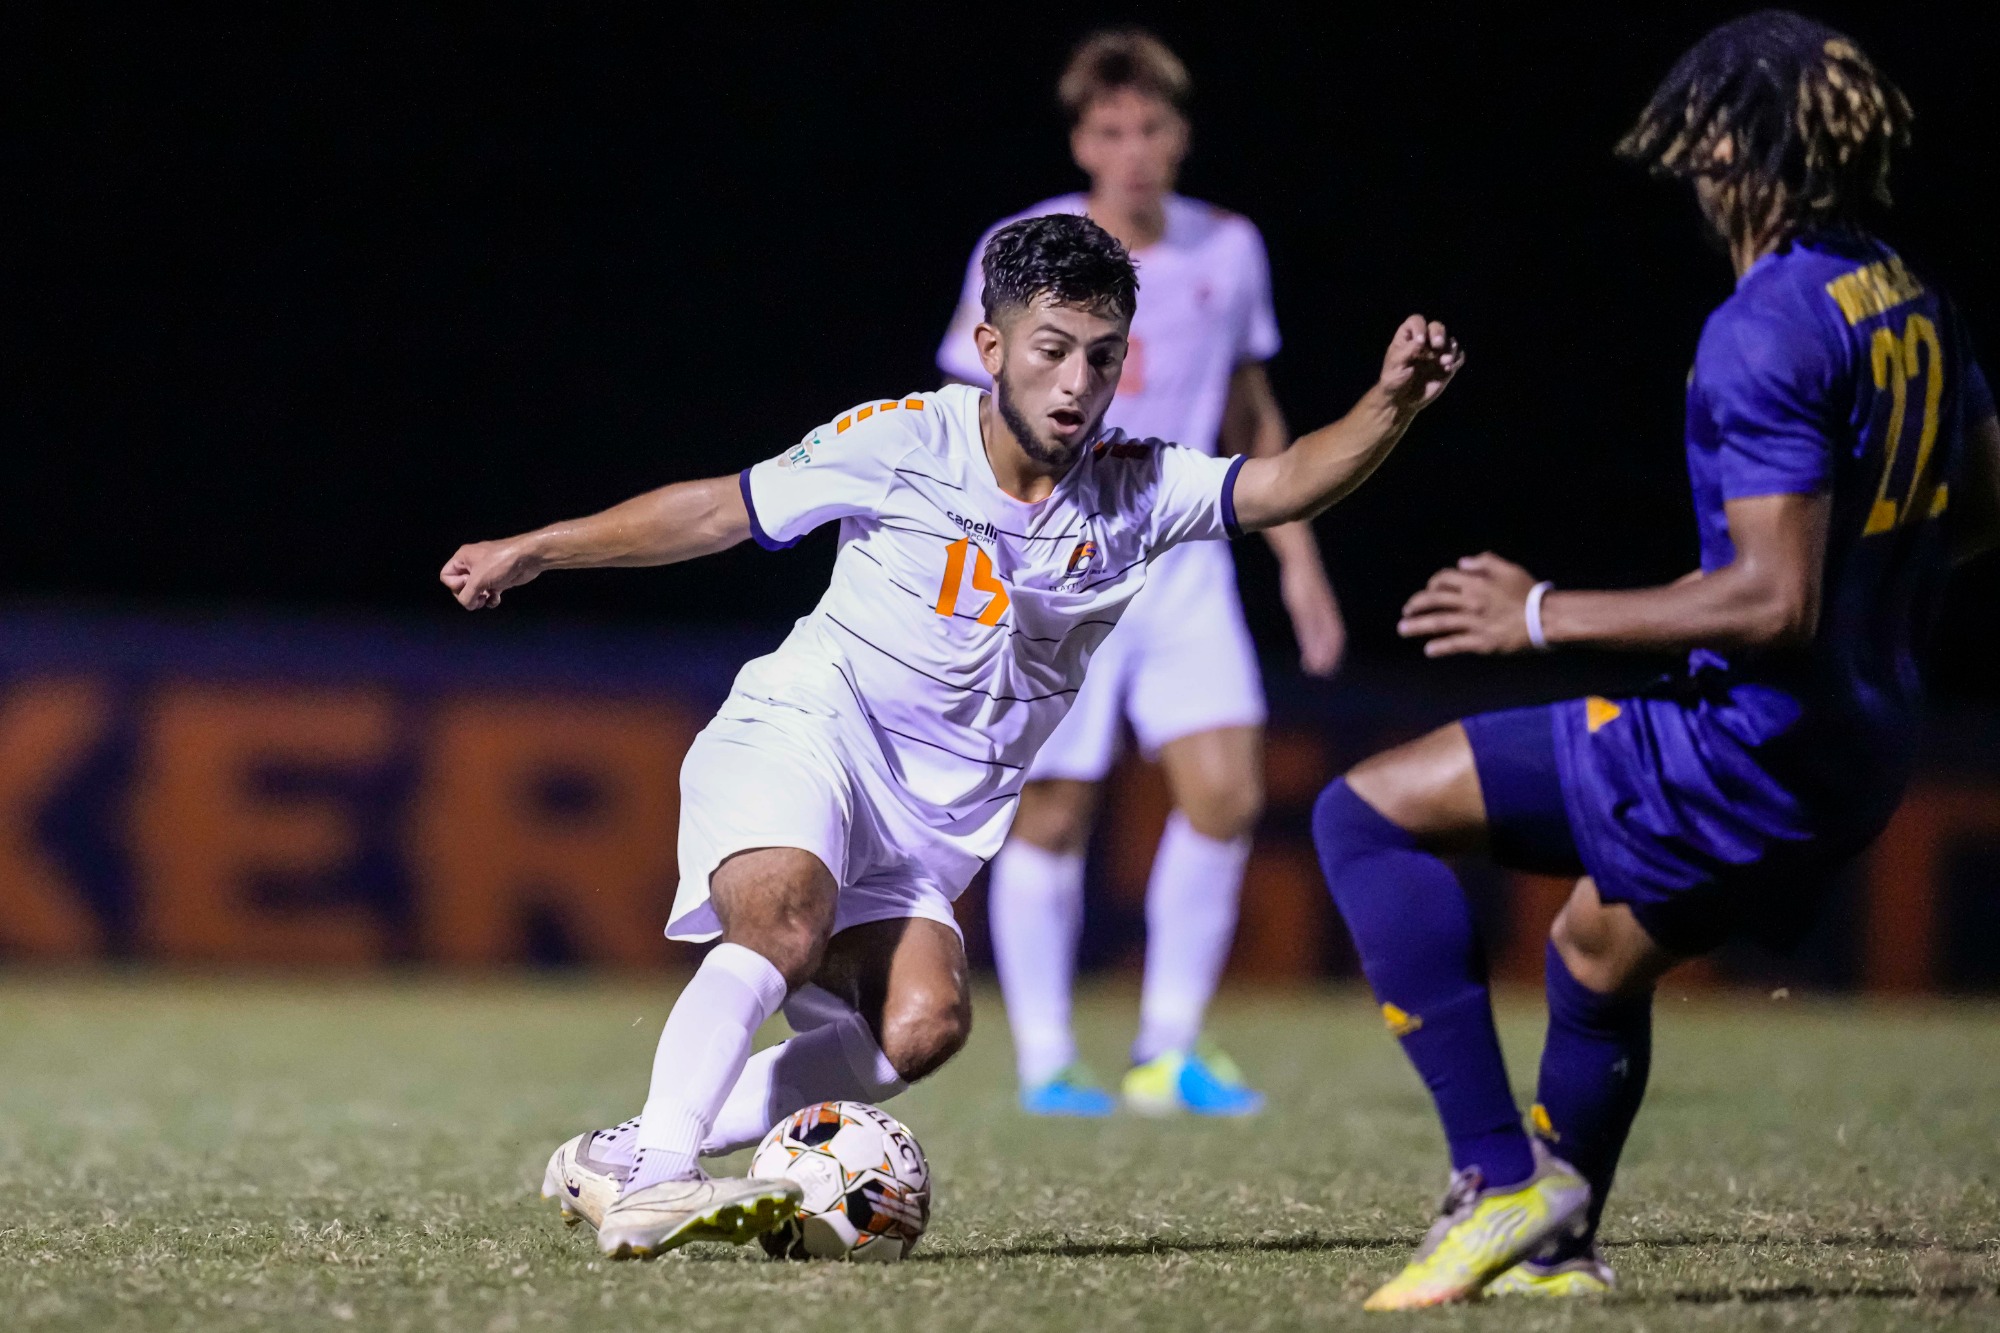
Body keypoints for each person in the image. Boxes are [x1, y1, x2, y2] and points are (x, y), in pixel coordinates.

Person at [443, 214, 1462, 1258]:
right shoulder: (904, 441)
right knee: (784, 919)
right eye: (1051, 350)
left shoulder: (1133, 486)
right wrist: (539, 548)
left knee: (921, 1024)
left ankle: (630, 1145)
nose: (1076, 383)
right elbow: (717, 510)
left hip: (926, 824)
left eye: (1102, 357)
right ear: (991, 350)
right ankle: (660, 1175)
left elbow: (1286, 479)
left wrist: (1388, 406)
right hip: (804, 733)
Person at [1309, 12, 2000, 1310]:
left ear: (1742, 150)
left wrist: (1540, 613)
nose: (1689, 169)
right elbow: (1980, 512)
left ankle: (1496, 1182)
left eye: (1703, 143)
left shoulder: (1766, 328)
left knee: (1363, 812)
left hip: (1744, 742)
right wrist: (1871, 608)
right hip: (1864, 743)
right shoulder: (1913, 293)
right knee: (1594, 948)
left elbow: (1770, 601)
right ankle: (1559, 1252)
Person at [939, 29, 1345, 1119]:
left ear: (1179, 135)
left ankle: (1167, 1049)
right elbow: (969, 411)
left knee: (1225, 791)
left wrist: (1297, 558)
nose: (1132, 150)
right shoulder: (1025, 246)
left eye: (1151, 128)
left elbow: (1250, 409)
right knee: (1054, 812)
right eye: (1109, 130)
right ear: (1080, 139)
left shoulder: (1226, 249)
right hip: (1057, 554)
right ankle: (1047, 1062)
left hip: (1183, 551)